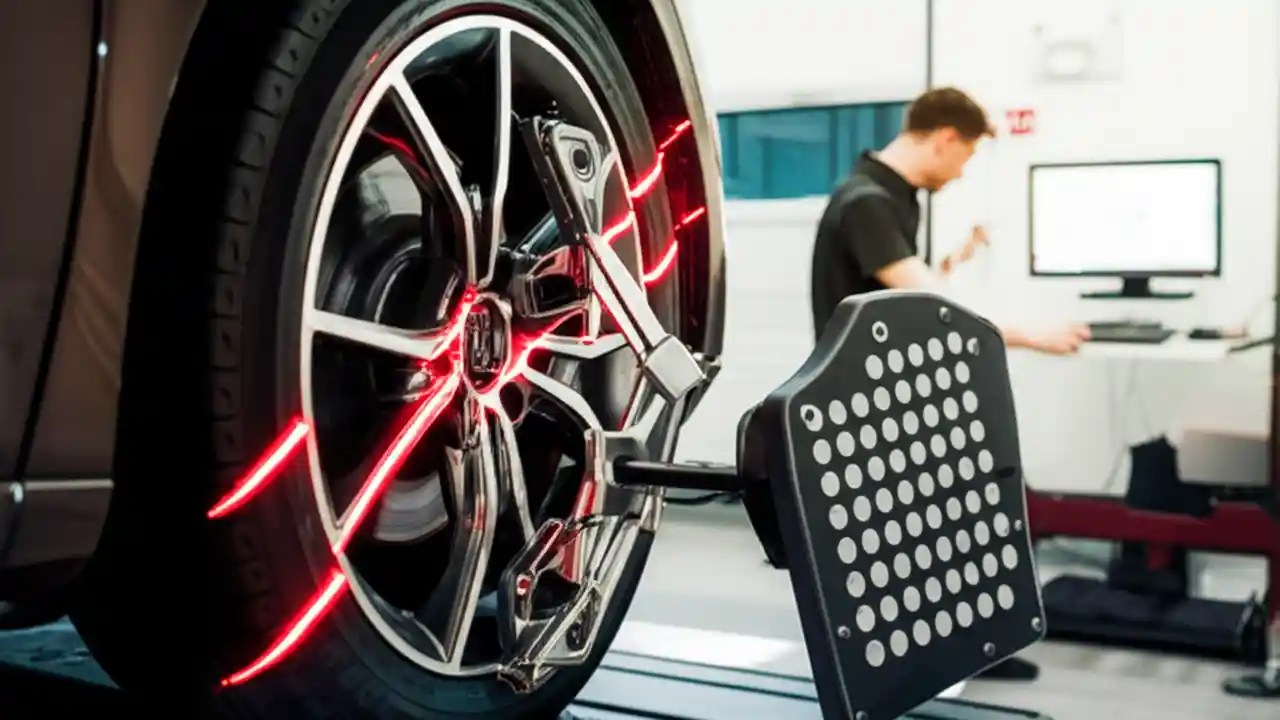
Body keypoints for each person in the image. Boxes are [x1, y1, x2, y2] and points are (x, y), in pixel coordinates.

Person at [809, 86, 1090, 353]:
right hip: (857, 389)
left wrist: (961, 255)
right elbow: (936, 305)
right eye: (966, 157)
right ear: (947, 140)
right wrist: (1034, 335)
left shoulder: (893, 196)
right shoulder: (865, 202)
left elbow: (899, 293)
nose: (960, 173)